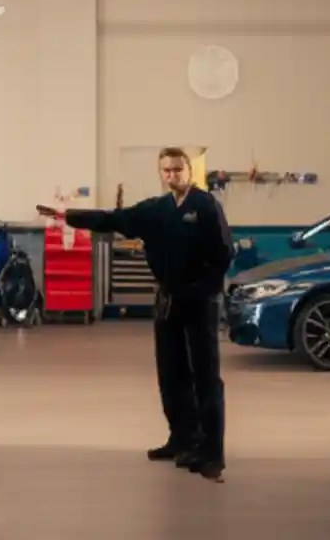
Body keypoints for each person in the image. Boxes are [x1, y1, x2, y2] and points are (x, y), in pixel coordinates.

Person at [36, 147, 233, 481]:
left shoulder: (206, 206)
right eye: (166, 171)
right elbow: (114, 219)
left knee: (205, 375)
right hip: (168, 300)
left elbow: (223, 255)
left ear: (189, 170)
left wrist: (202, 291)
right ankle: (182, 438)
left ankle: (211, 452)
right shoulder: (156, 210)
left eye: (177, 169)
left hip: (200, 302)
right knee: (170, 373)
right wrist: (66, 216)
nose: (172, 175)